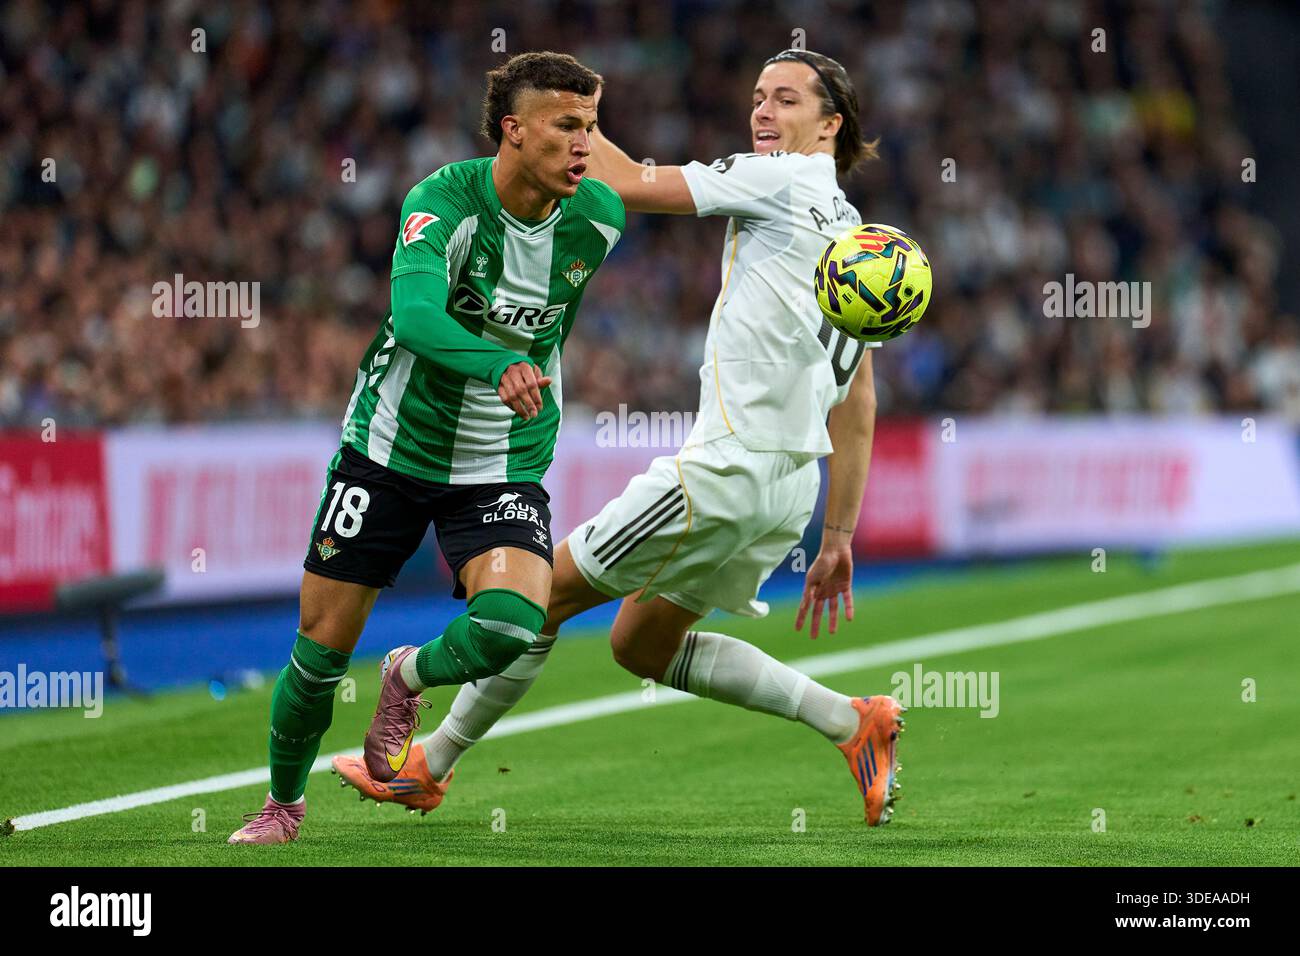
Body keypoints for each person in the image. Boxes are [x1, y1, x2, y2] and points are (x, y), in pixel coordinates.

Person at [334, 49, 905, 826]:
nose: (763, 114)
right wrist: (836, 531)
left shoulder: (784, 177)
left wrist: (575, 116)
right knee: (640, 643)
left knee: (537, 598)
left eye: (786, 101)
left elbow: (629, 183)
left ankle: (427, 764)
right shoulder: (861, 243)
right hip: (789, 490)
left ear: (830, 126)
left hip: (724, 473)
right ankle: (852, 722)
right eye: (757, 97)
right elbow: (858, 398)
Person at [228, 51, 625, 844]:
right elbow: (412, 316)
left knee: (513, 624)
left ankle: (405, 676)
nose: (586, 144)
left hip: (501, 460)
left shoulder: (599, 220)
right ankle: (282, 806)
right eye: (567, 126)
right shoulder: (442, 202)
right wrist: (500, 360)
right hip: (389, 448)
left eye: (592, 125)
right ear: (513, 131)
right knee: (318, 654)